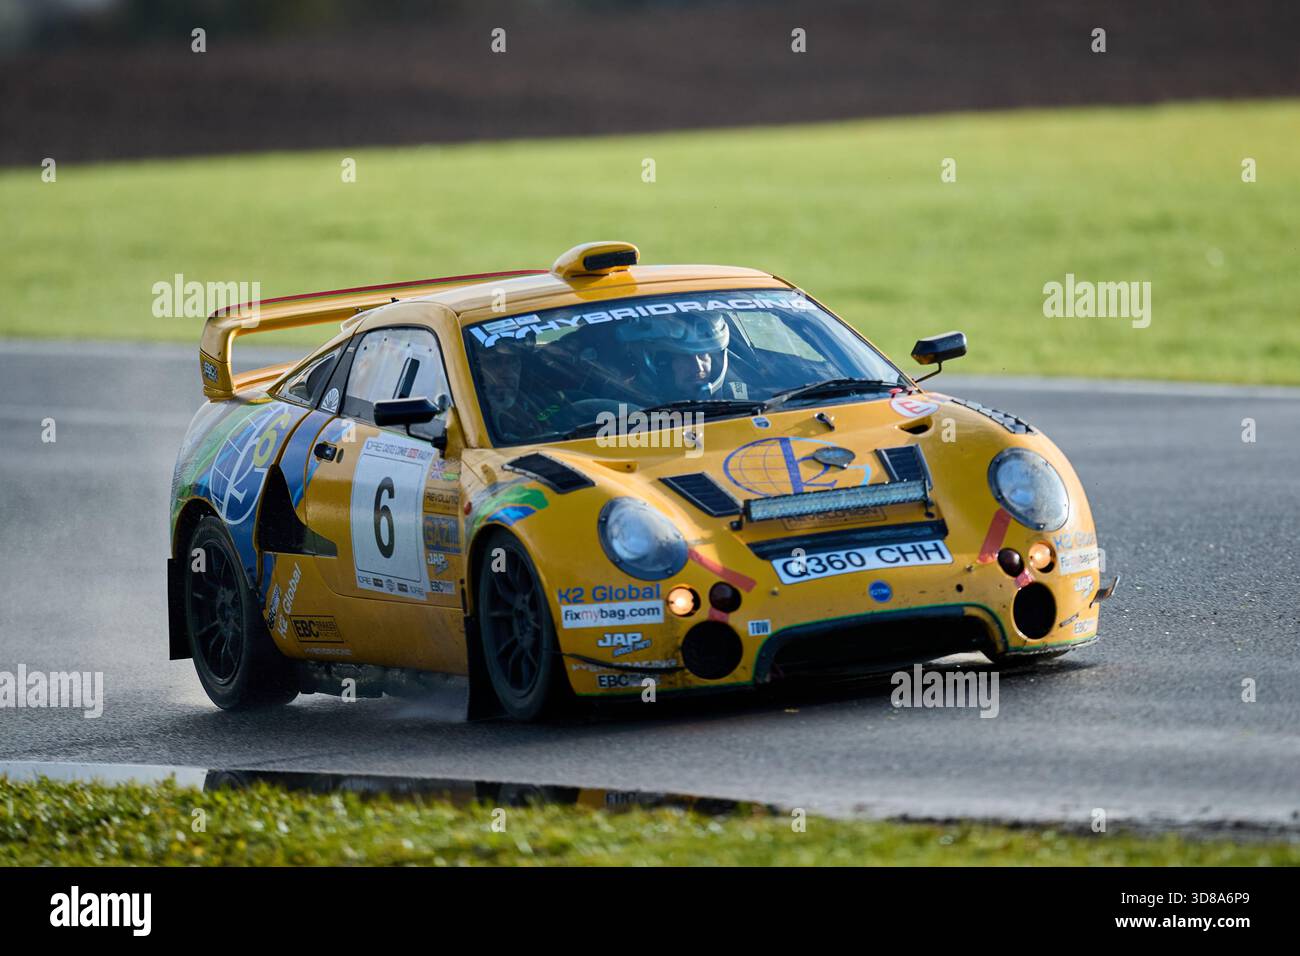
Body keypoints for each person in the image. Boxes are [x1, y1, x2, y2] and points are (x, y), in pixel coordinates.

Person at [618, 311, 731, 401]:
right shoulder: (624, 406)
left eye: (703, 355)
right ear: (659, 362)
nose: (698, 368)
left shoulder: (740, 396)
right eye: (685, 357)